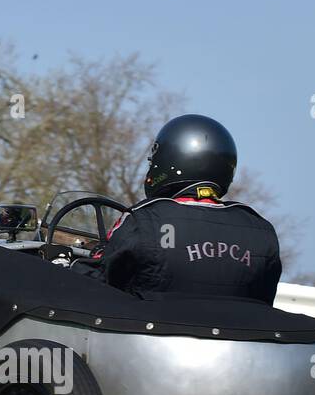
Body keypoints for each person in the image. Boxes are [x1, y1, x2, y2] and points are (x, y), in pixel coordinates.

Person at [84, 114, 282, 304]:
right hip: (237, 337)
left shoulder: (144, 220)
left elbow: (96, 283)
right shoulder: (262, 233)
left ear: (171, 161)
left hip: (151, 336)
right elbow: (262, 303)